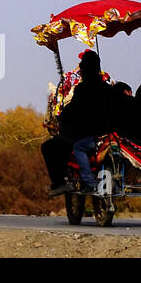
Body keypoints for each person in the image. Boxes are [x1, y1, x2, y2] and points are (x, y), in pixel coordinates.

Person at [42, 50, 112, 193]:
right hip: (103, 130)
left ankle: (61, 182)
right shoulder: (107, 88)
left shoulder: (83, 89)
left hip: (88, 133)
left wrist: (64, 114)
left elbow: (73, 110)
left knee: (50, 147)